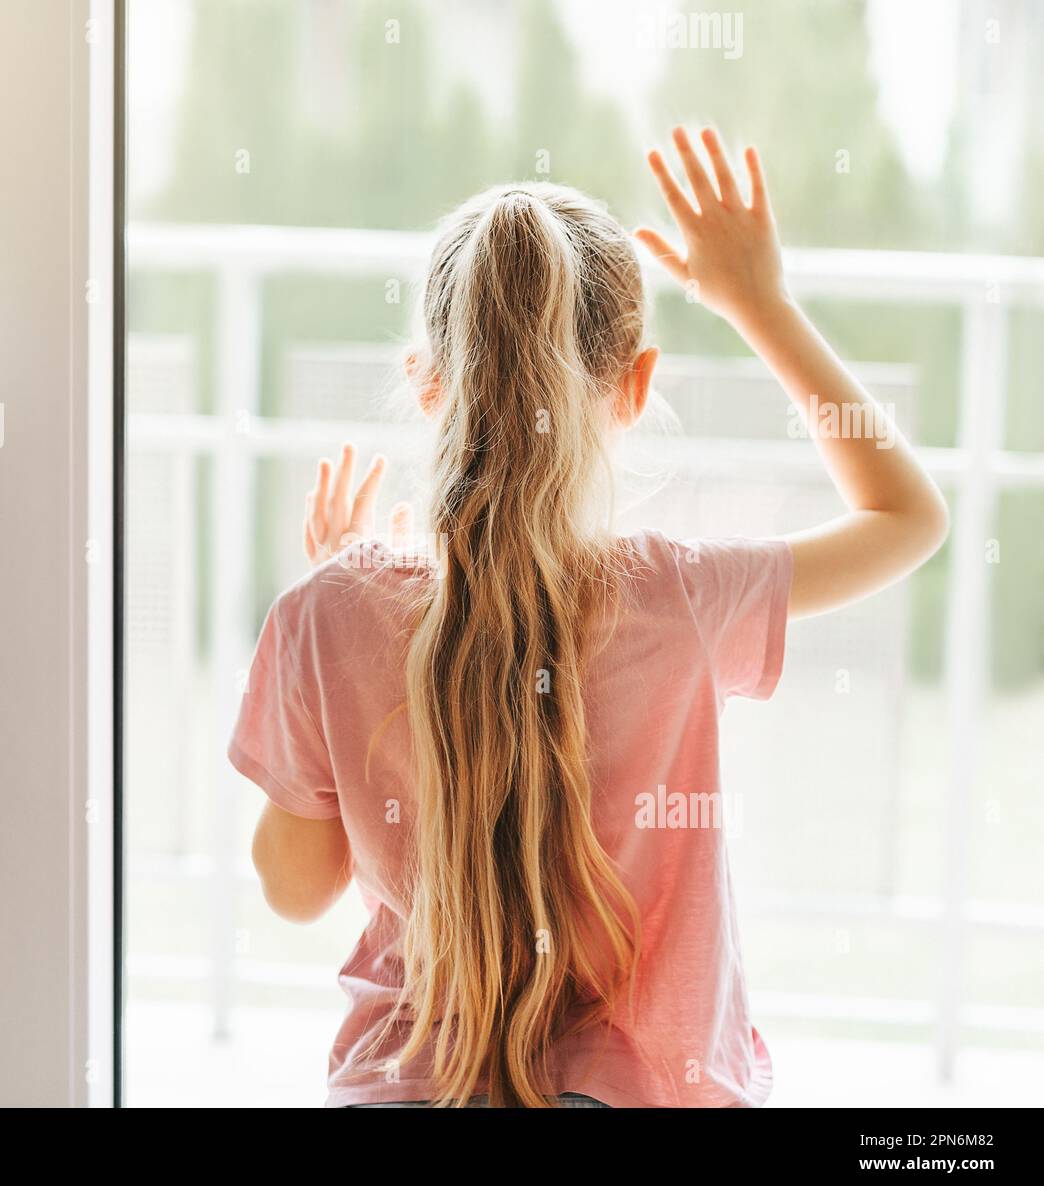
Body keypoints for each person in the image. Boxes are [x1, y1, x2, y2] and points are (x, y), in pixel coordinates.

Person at [229, 127, 949, 1108]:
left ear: (425, 384)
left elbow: (293, 885)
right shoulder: (681, 600)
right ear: (636, 386)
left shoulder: (327, 615)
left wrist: (333, 616)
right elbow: (906, 516)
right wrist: (758, 302)